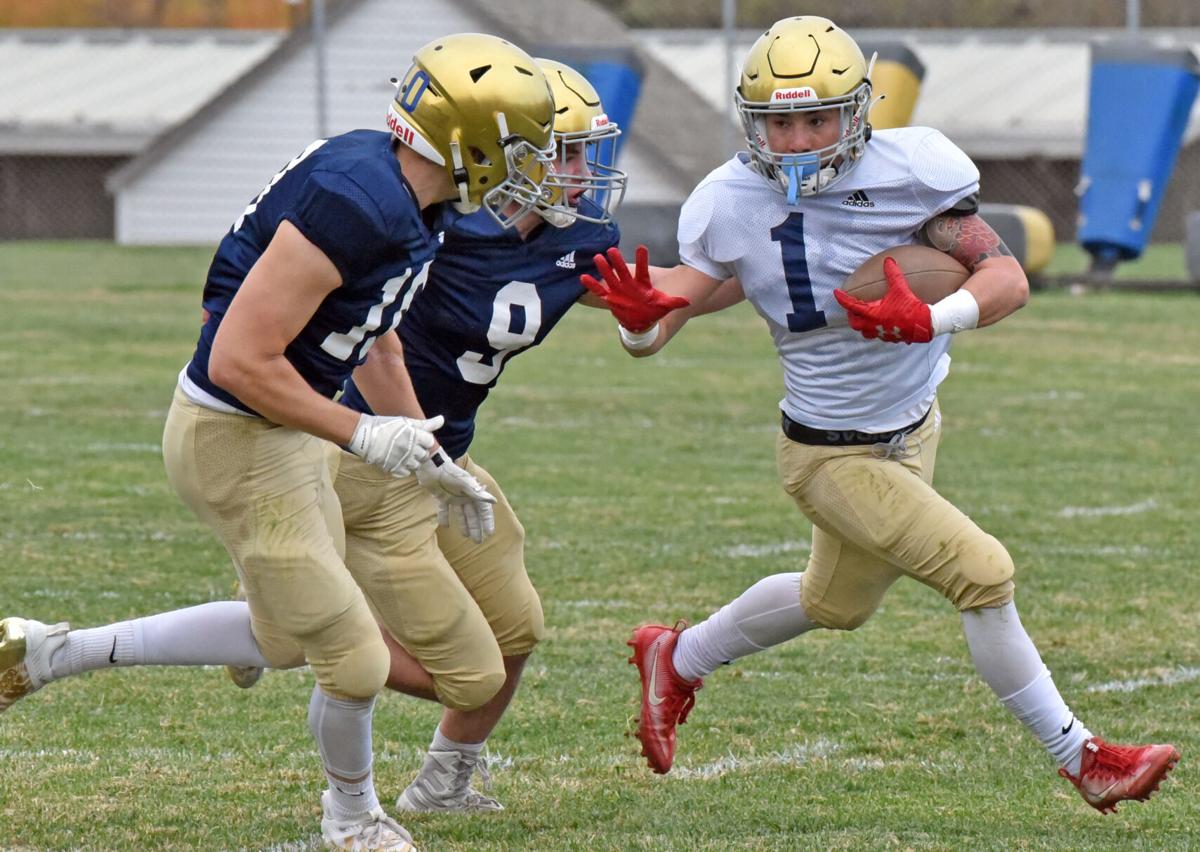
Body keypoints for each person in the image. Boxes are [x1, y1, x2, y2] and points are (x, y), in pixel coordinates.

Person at [581, 16, 1180, 814]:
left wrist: (930, 318)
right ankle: (1085, 759)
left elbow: (1006, 279)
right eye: (780, 123)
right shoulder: (727, 200)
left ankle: (677, 657)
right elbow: (662, 322)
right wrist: (635, 323)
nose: (798, 141)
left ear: (857, 112)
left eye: (817, 119)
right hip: (830, 454)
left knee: (835, 603)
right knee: (984, 572)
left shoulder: (914, 171)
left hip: (913, 426)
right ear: (752, 125)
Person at [0, 33, 556, 851]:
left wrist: (431, 459)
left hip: (283, 429)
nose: (527, 168)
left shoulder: (414, 199)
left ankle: (49, 652)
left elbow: (373, 335)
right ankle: (351, 817)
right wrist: (362, 433)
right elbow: (237, 359)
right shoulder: (362, 201)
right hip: (234, 433)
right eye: (518, 146)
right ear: (469, 140)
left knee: (283, 638)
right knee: (353, 657)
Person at [243, 57, 632, 814]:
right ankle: (291, 622)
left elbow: (653, 293)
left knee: (517, 628)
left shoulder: (579, 233)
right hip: (370, 453)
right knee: (454, 668)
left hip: (446, 453)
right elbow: (359, 328)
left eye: (588, 154)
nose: (584, 175)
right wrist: (405, 440)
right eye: (567, 154)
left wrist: (713, 284)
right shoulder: (433, 221)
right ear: (517, 154)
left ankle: (442, 780)